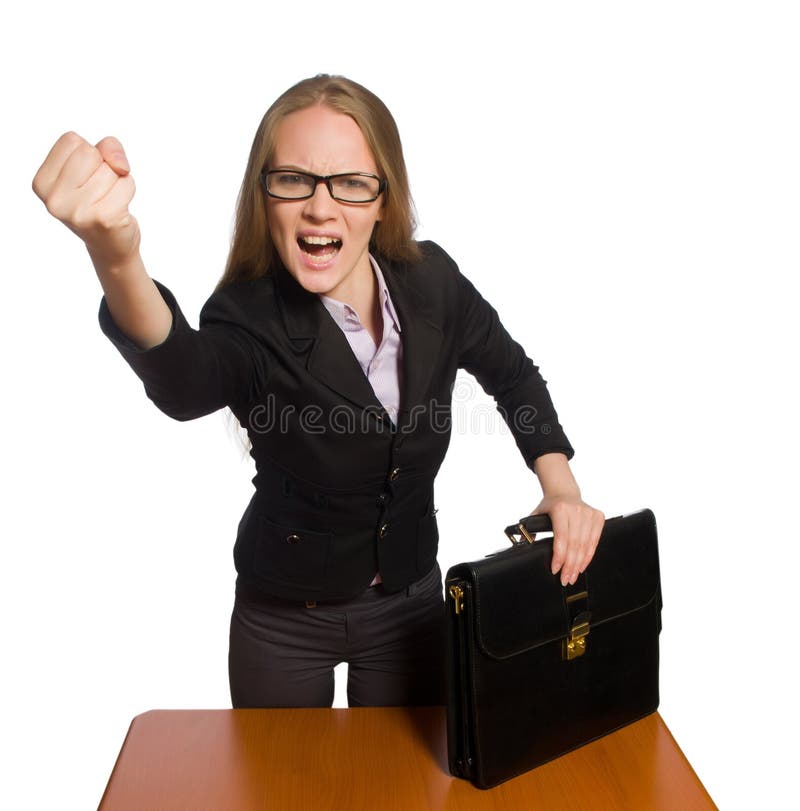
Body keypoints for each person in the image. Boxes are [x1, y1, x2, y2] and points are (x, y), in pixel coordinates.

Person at [32, 74, 605, 709]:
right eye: (293, 180)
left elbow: (513, 374)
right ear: (265, 196)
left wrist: (561, 489)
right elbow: (186, 381)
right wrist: (116, 257)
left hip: (411, 603)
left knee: (407, 772)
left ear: (384, 199)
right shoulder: (247, 314)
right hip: (283, 619)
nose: (320, 208)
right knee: (282, 773)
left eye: (351, 184)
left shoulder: (434, 282)